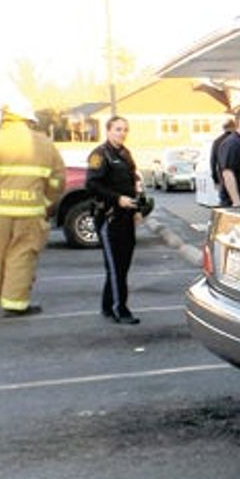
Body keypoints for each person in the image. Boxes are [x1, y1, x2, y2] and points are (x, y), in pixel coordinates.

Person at [0, 102, 66, 317]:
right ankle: (14, 304)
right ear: (29, 120)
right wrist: (45, 202)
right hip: (30, 214)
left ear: (6, 118)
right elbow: (58, 180)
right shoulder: (45, 144)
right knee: (21, 257)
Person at [86, 115, 146, 325]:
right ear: (108, 130)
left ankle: (107, 306)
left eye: (125, 129)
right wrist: (117, 199)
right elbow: (92, 185)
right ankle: (120, 308)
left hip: (126, 217)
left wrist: (137, 209)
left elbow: (132, 183)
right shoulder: (99, 155)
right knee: (115, 266)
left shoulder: (125, 153)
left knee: (123, 265)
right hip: (109, 217)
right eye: (118, 129)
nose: (122, 133)